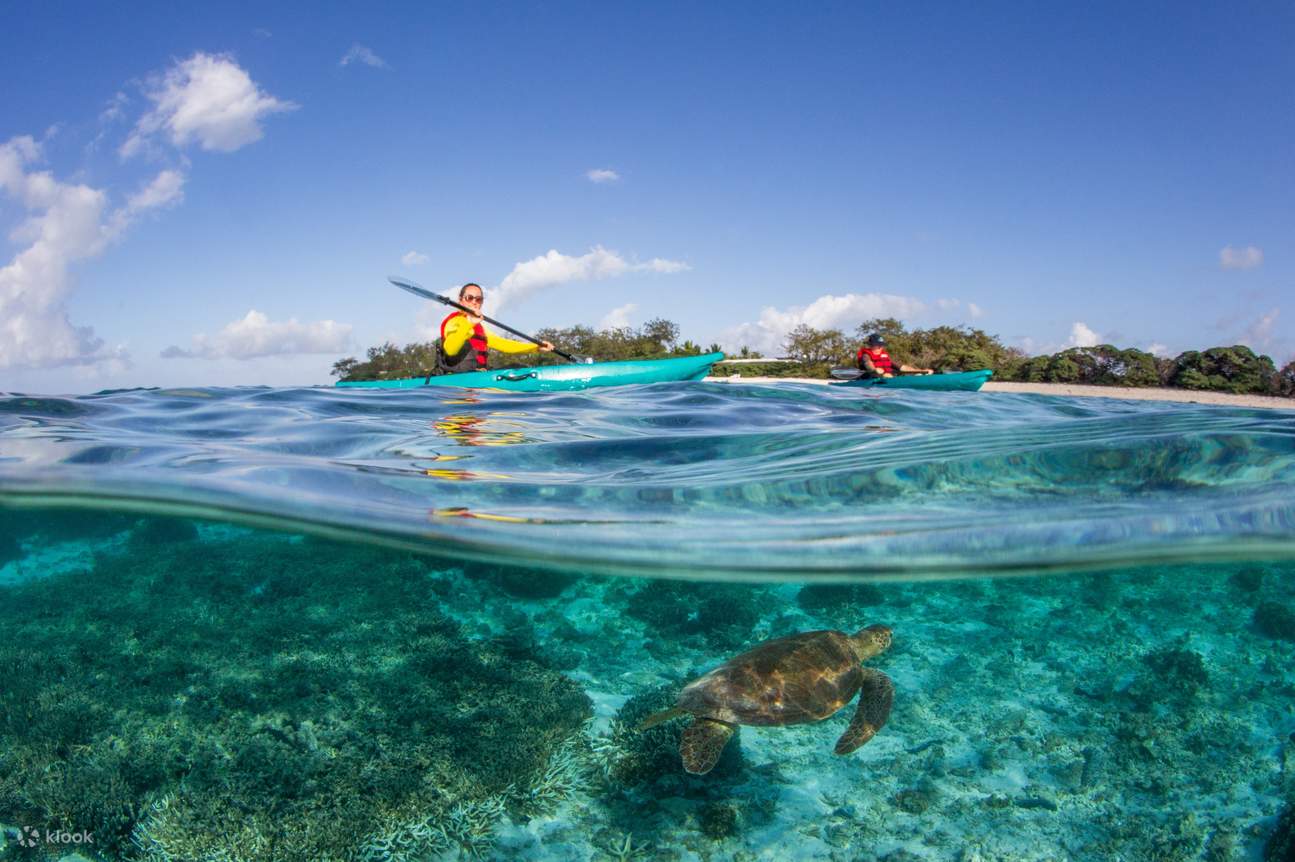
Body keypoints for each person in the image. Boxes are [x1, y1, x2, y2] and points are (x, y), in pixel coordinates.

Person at [437, 283, 555, 374]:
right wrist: (468, 322)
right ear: (461, 300)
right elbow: (450, 349)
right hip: (458, 387)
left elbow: (504, 344)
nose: (474, 302)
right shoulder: (455, 321)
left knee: (518, 368)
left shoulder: (479, 327)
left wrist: (536, 347)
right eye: (469, 298)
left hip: (479, 380)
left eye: (478, 299)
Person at [856, 333, 933, 378]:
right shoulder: (866, 356)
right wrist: (878, 372)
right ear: (871, 345)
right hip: (871, 379)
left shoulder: (884, 355)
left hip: (889, 377)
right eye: (878, 345)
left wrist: (921, 371)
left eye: (882, 345)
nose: (881, 347)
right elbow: (869, 366)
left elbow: (902, 367)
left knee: (899, 372)